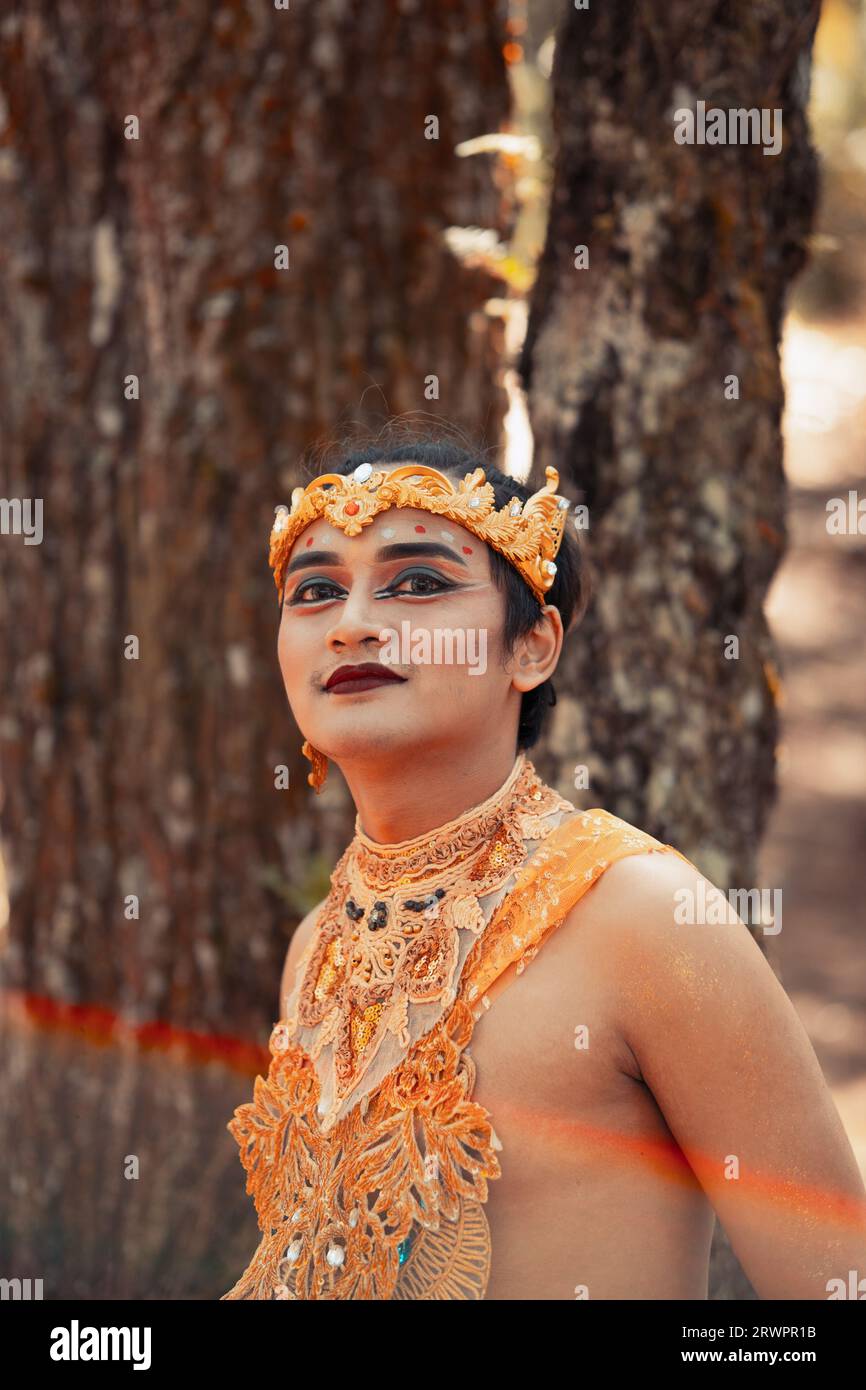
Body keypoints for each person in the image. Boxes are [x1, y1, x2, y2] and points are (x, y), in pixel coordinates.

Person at [221, 432, 866, 1301]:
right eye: (315, 590)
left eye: (418, 582)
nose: (353, 623)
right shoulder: (319, 946)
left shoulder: (642, 916)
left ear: (532, 647)